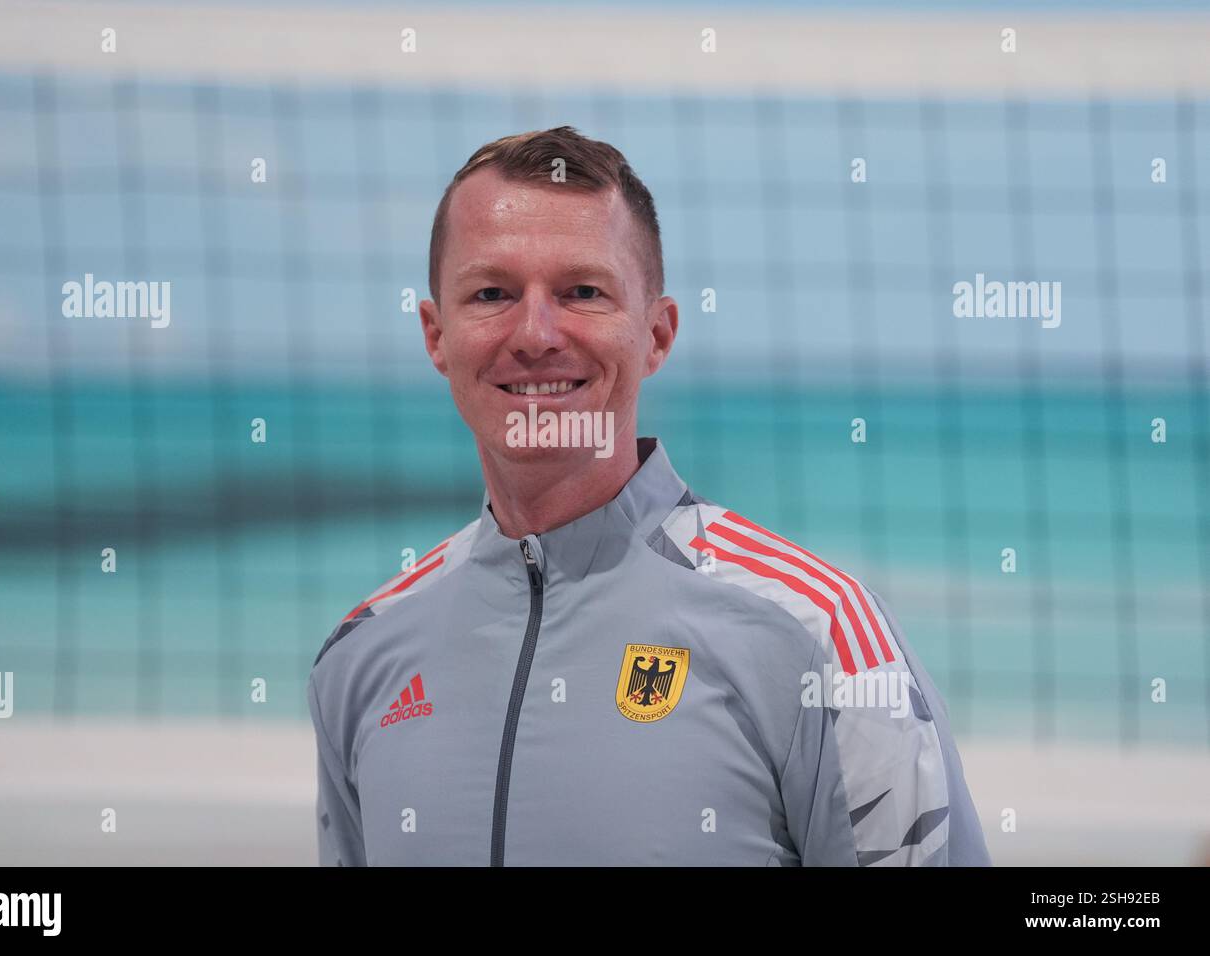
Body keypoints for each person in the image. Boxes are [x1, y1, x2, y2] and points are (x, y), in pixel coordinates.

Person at [307, 126, 990, 866]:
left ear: (657, 334)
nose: (535, 334)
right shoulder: (362, 654)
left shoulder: (818, 636)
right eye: (492, 293)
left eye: (583, 292)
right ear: (436, 336)